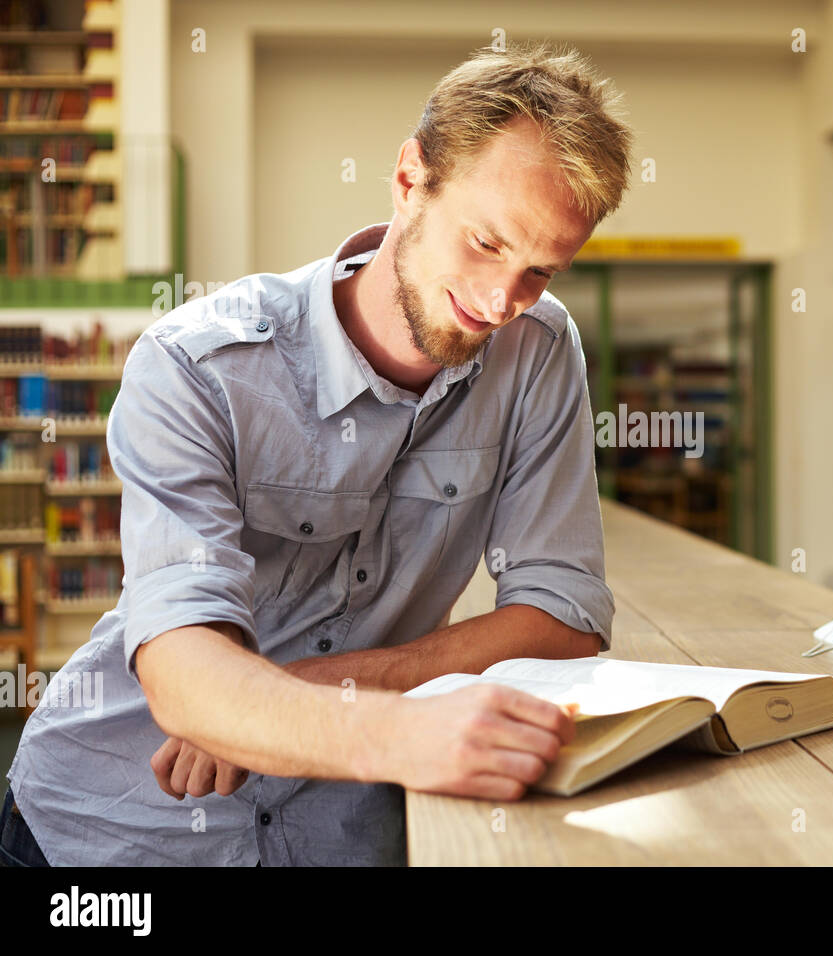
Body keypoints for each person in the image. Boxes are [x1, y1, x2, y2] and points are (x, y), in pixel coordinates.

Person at [2, 41, 633, 866]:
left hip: (340, 838)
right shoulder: (197, 364)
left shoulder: (539, 353)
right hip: (118, 826)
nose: (499, 302)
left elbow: (564, 616)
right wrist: (395, 730)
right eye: (485, 243)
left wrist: (312, 691)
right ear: (410, 179)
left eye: (540, 271)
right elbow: (183, 674)